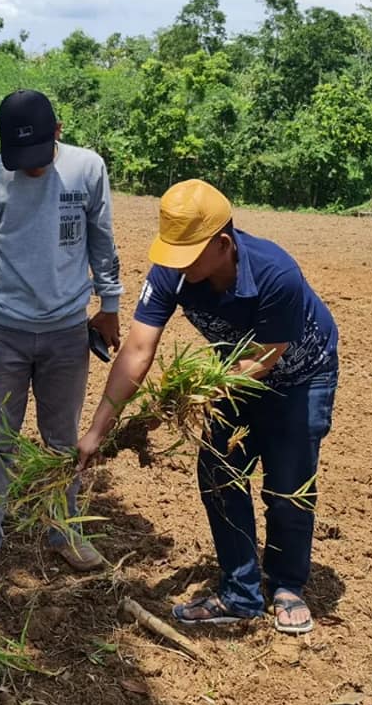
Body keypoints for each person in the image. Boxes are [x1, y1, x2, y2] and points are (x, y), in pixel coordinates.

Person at [77, 179, 338, 634]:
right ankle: (240, 593)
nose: (179, 265)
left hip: (301, 377)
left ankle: (287, 585)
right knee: (219, 473)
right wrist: (99, 428)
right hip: (231, 376)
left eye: (189, 253)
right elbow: (137, 350)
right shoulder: (171, 272)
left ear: (223, 244)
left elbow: (267, 353)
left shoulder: (276, 273)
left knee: (288, 482)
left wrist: (197, 394)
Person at [0, 89, 124, 576]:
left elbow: (102, 239)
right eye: (21, 159)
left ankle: (64, 530)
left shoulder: (87, 170)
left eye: (41, 156)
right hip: (5, 334)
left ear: (59, 133)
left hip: (68, 332)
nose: (33, 169)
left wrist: (109, 305)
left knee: (61, 439)